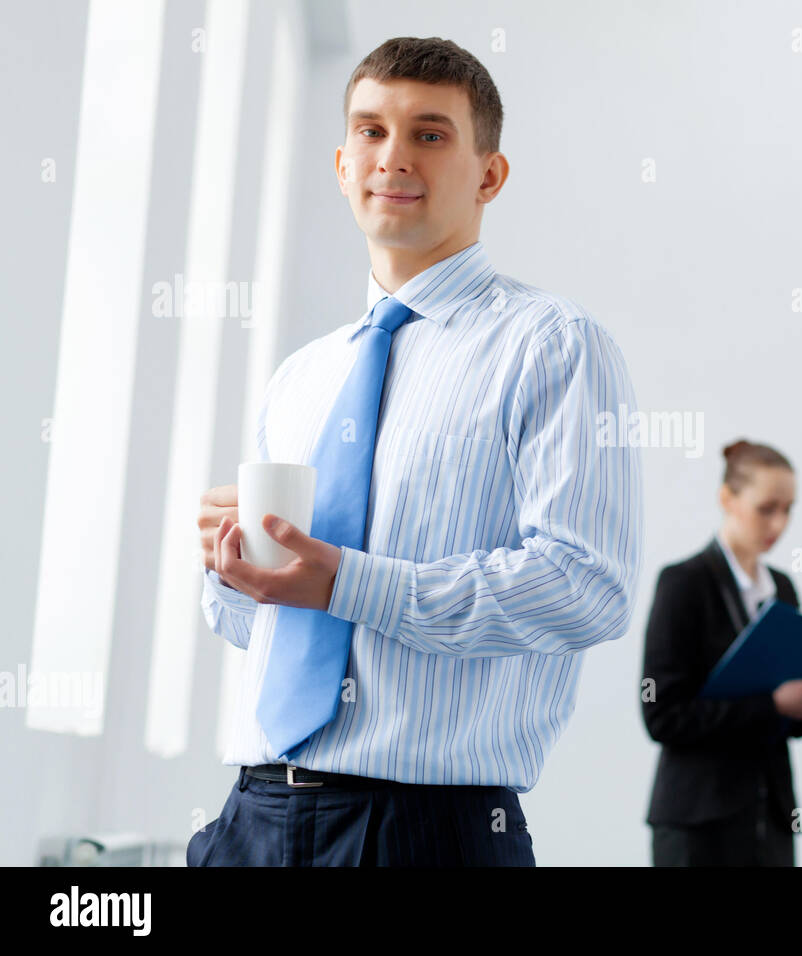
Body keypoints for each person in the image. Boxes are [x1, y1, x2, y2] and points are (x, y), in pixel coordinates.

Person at [189, 36, 642, 866]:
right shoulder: (301, 377)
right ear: (340, 162)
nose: (392, 157)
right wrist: (231, 572)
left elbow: (586, 586)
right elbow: (261, 629)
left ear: (489, 175)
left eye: (429, 134)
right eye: (370, 131)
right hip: (249, 818)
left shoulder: (552, 347)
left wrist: (349, 581)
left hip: (426, 831)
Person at [641, 439, 802, 866]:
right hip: (697, 826)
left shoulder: (783, 589)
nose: (779, 523)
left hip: (768, 821)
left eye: (788, 509)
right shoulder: (683, 583)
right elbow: (661, 716)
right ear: (727, 500)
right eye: (767, 508)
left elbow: (793, 728)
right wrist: (771, 703)